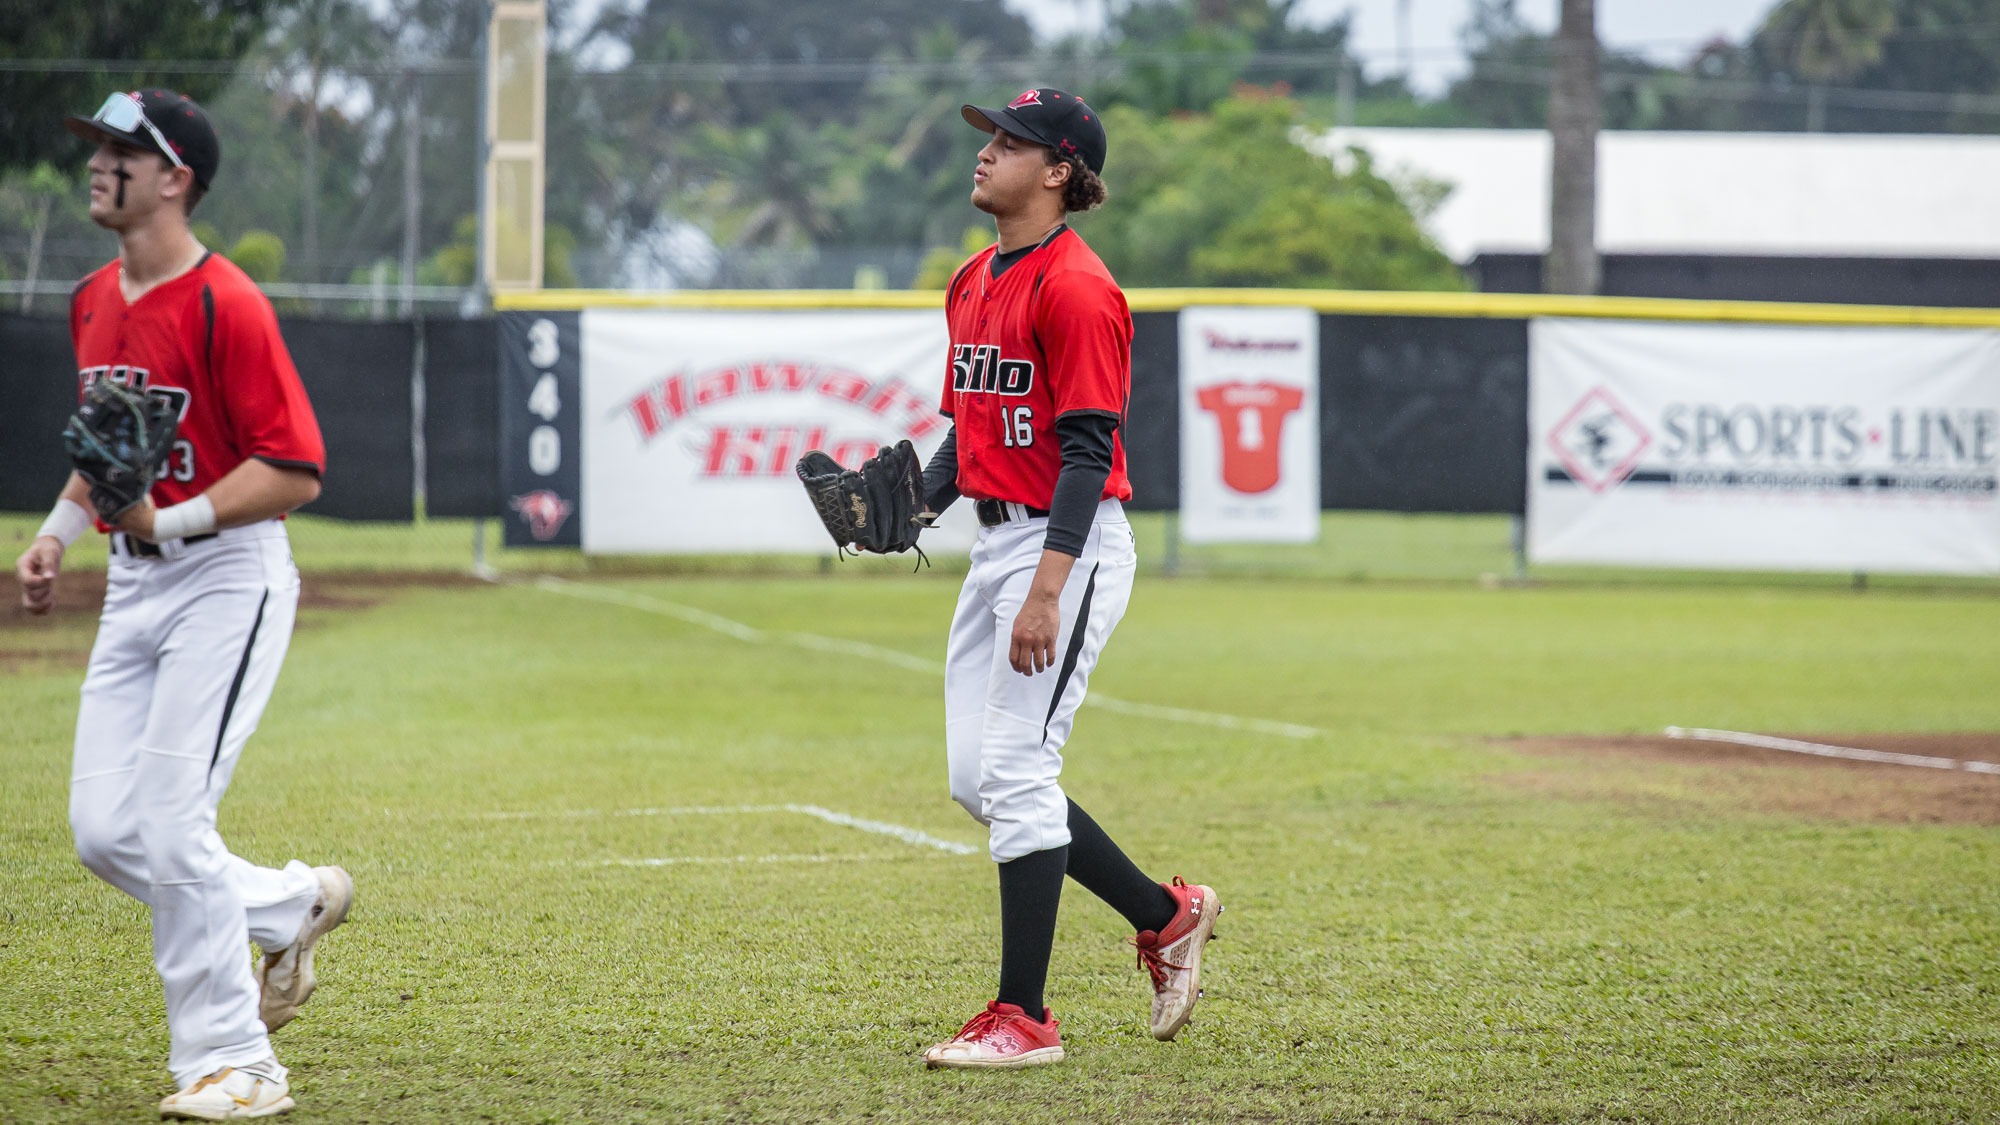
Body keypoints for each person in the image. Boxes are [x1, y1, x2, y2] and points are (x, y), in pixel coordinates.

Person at [13, 89, 352, 1120]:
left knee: (167, 823)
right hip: (135, 582)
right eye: (99, 148)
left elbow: (296, 468)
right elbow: (111, 454)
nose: (100, 163)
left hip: (226, 577)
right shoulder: (92, 298)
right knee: (103, 832)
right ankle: (291, 906)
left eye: (126, 150)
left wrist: (175, 522)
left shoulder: (225, 302)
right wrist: (56, 533)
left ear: (178, 179)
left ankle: (234, 1062)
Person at [916, 88, 1222, 1070]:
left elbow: (1089, 449)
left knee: (1014, 770)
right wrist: (914, 510)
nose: (985, 154)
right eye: (986, 140)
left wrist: (1049, 589)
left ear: (1056, 170)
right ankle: (1163, 915)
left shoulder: (1078, 288)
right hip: (996, 544)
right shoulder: (972, 279)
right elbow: (966, 425)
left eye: (1007, 143)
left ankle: (1023, 1017)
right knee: (980, 779)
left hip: (1065, 543)